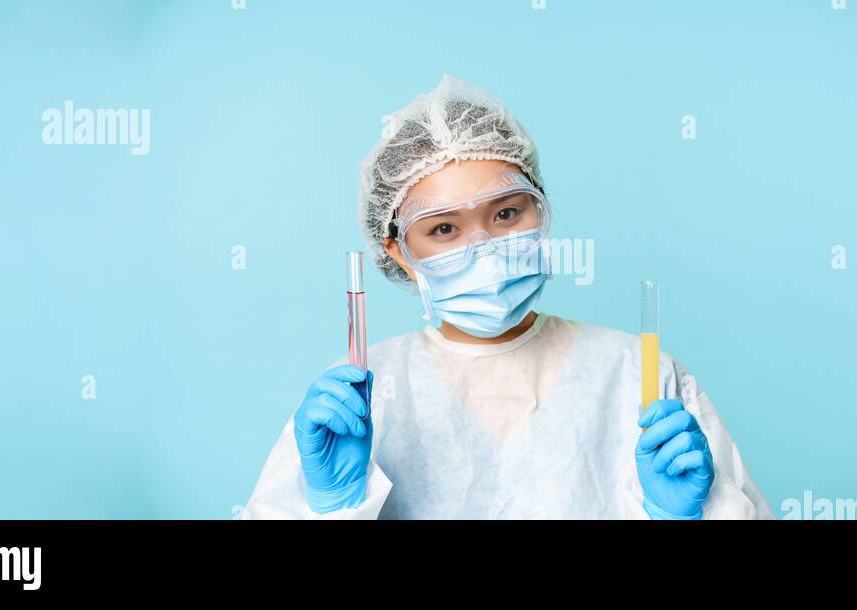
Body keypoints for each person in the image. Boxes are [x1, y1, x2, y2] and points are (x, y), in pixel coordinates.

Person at [243, 75, 774, 519]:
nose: (485, 249)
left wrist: (689, 515)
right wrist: (333, 506)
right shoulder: (357, 398)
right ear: (399, 251)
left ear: (540, 211)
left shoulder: (641, 375)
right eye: (444, 228)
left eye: (505, 213)